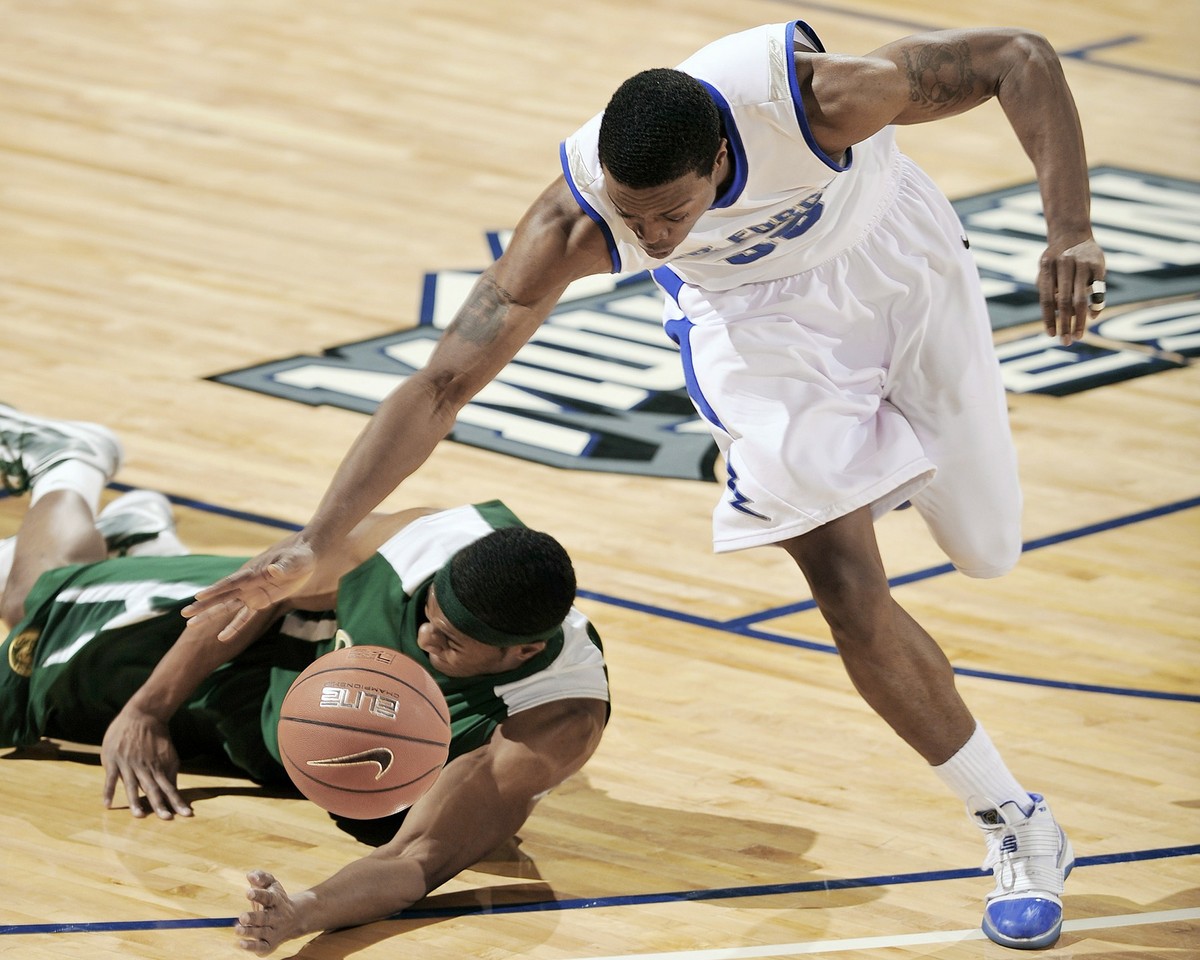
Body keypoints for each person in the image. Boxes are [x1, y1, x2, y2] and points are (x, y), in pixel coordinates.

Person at [183, 21, 1106, 950]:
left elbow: (1018, 58)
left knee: (987, 549)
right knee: (843, 583)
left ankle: (873, 462)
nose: (655, 239)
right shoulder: (579, 223)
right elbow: (441, 385)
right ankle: (1016, 822)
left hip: (897, 262)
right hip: (761, 335)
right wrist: (316, 537)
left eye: (672, 213)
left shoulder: (819, 102)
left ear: (720, 158)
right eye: (638, 218)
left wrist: (1070, 229)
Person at [0, 404, 609, 956]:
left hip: (287, 741)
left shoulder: (552, 720)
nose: (426, 638)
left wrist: (303, 912)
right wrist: (146, 710)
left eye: (450, 642)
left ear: (525, 651)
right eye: (427, 617)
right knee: (27, 606)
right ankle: (69, 461)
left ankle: (143, 543)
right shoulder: (422, 541)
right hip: (257, 643)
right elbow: (264, 587)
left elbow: (418, 857)